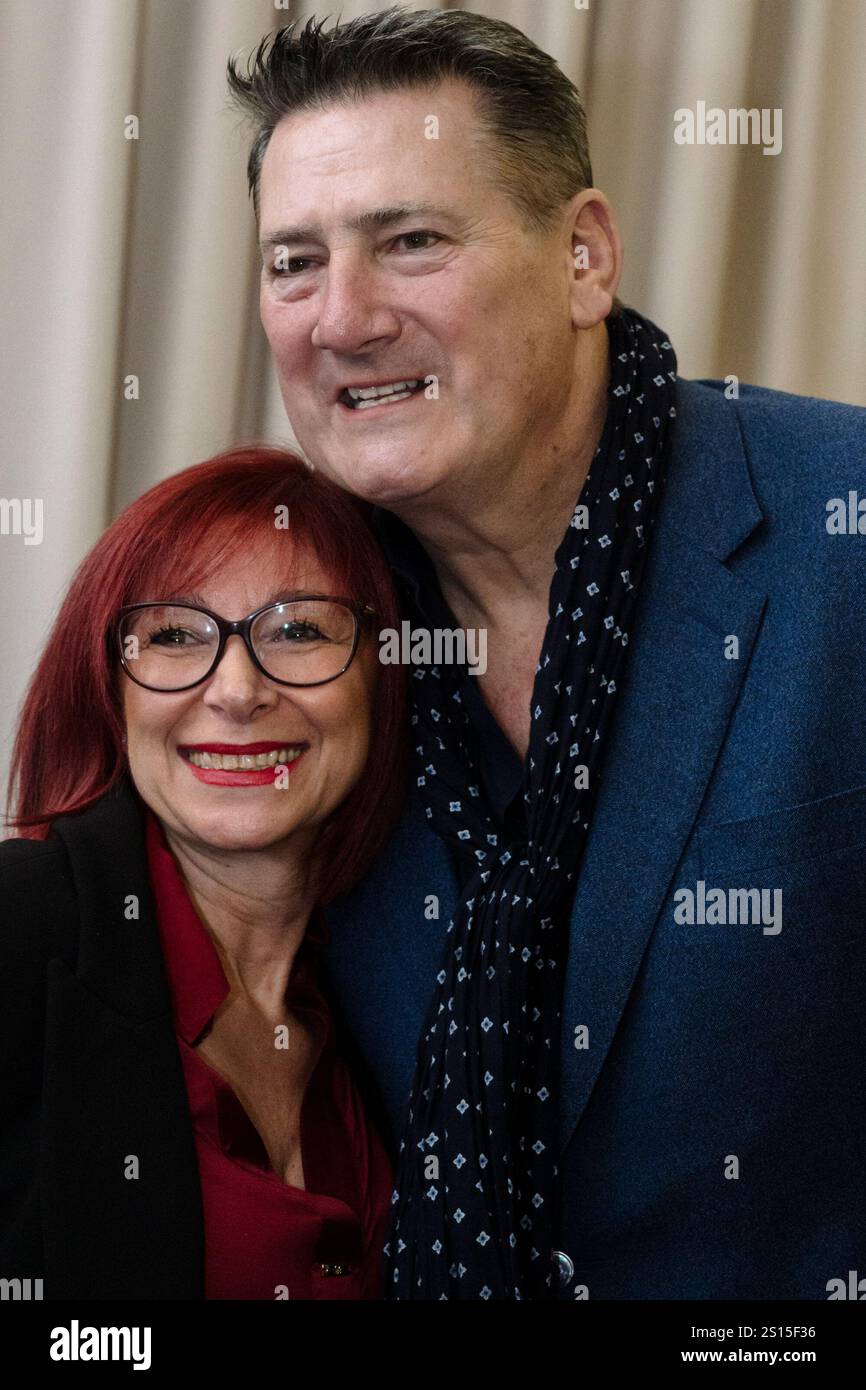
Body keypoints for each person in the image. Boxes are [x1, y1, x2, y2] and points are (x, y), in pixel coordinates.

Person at [227, 9, 866, 1300]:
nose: (341, 319)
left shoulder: (840, 525)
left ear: (582, 256)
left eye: (407, 242)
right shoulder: (273, 632)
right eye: (295, 263)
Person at [0, 446, 406, 1300]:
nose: (235, 689)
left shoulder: (390, 998)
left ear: (383, 673)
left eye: (298, 629)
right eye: (177, 635)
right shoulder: (19, 928)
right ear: (110, 687)